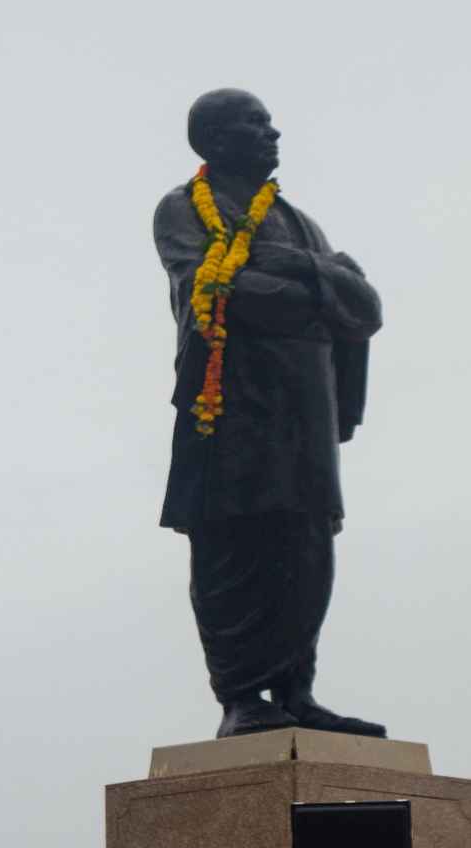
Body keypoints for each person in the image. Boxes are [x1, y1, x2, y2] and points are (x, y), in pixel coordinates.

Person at [154, 88, 386, 738]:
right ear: (217, 139)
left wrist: (304, 272)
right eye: (257, 124)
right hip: (228, 402)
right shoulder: (184, 209)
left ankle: (296, 690)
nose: (274, 133)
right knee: (233, 539)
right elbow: (209, 284)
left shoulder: (300, 223)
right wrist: (317, 288)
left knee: (306, 539)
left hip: (305, 403)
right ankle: (239, 696)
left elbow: (364, 308)